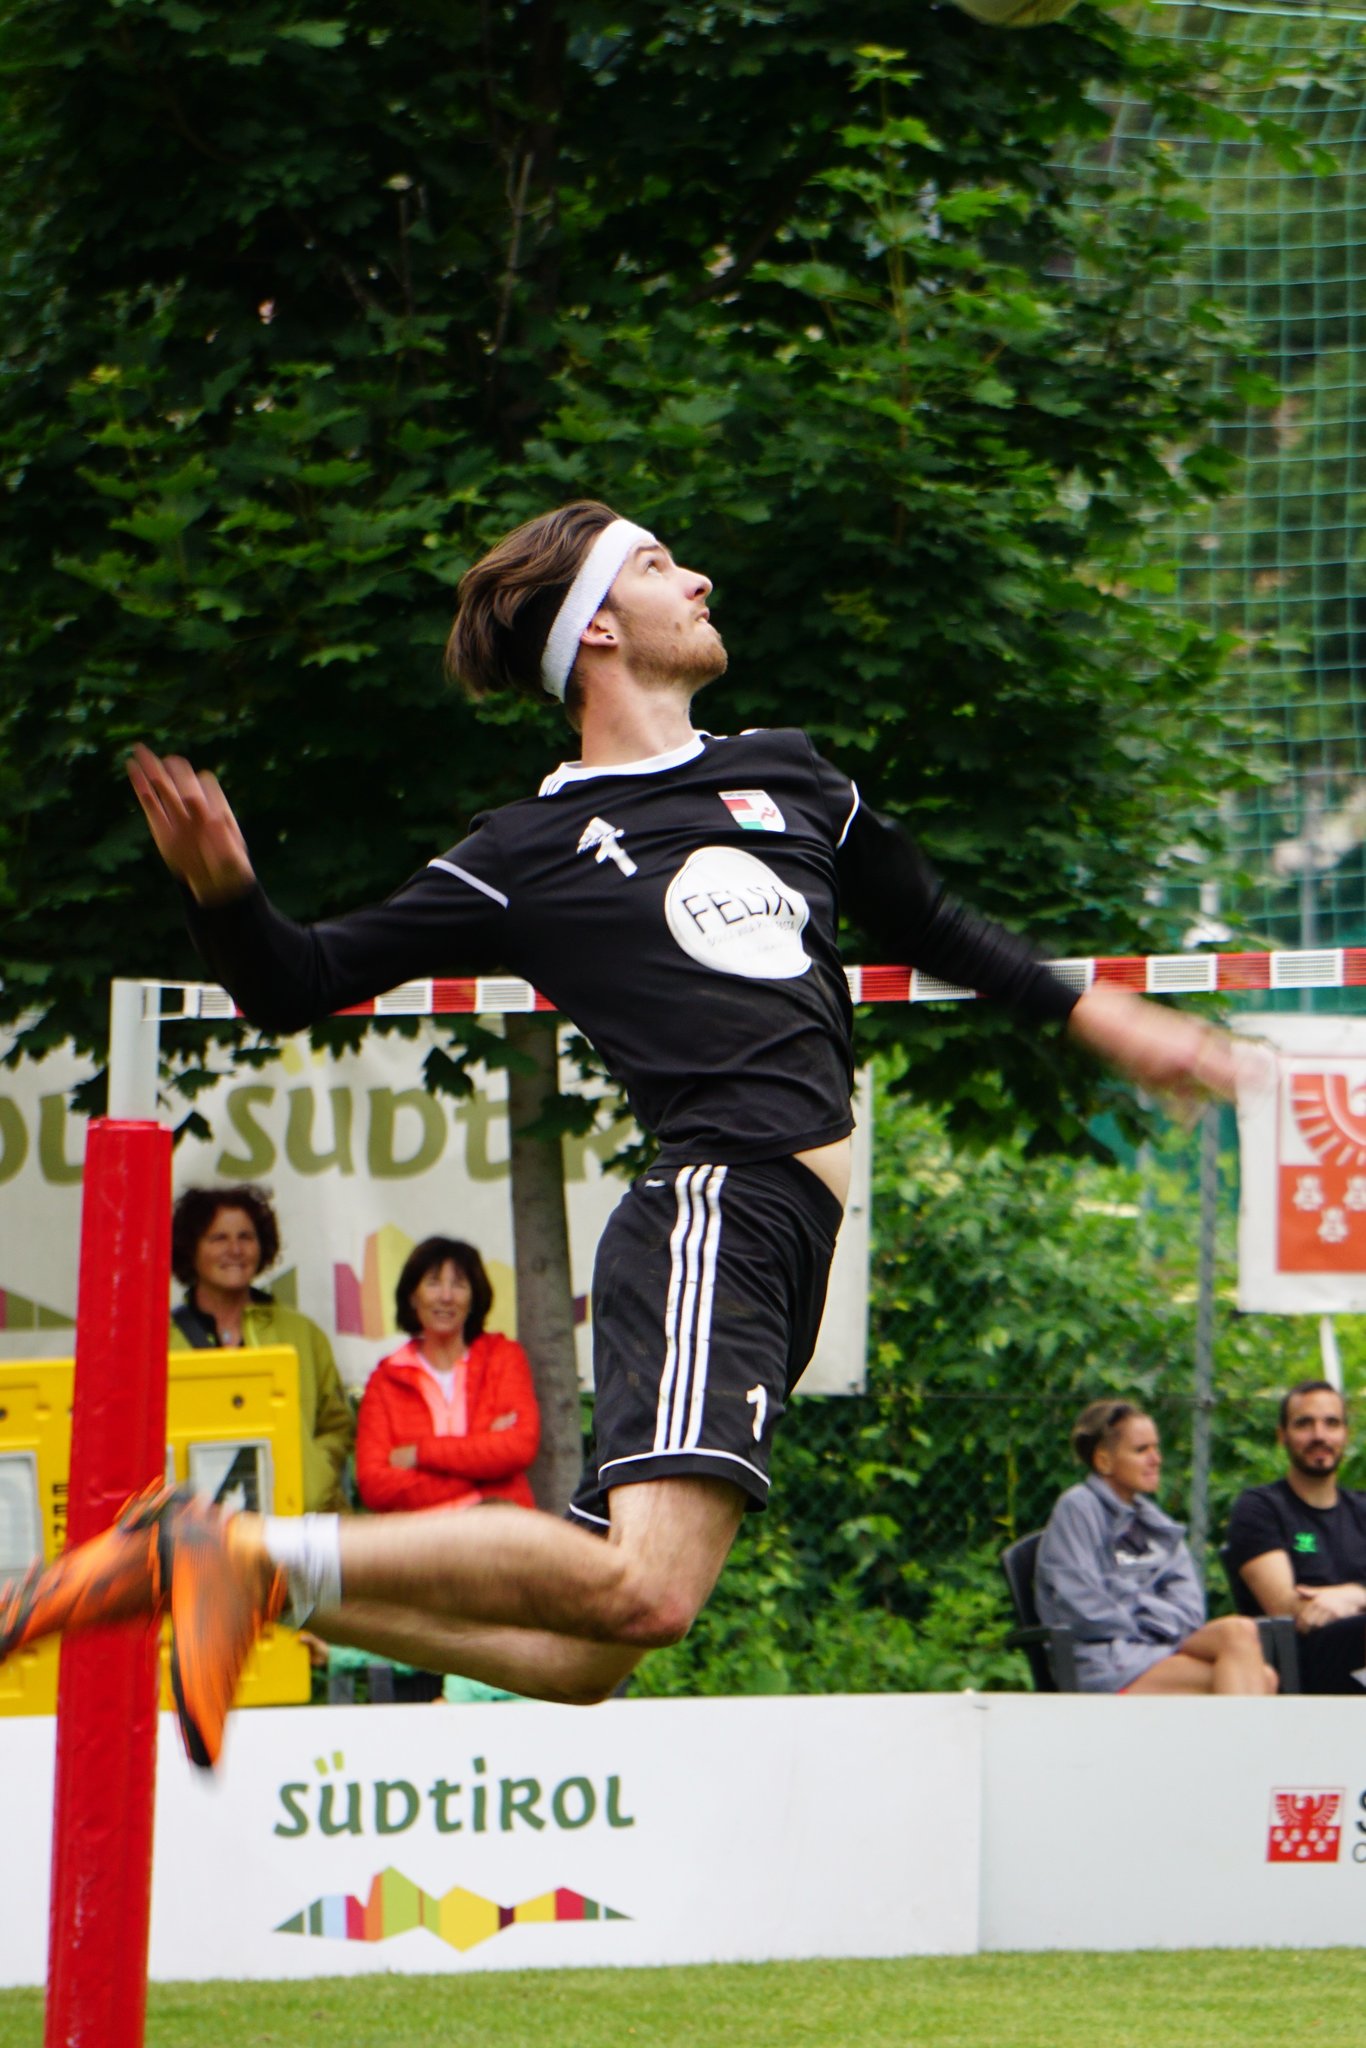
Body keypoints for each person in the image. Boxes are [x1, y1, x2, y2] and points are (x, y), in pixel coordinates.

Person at [1, 500, 1252, 1768]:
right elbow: (294, 979)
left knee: (587, 1654)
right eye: (658, 564)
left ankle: (270, 1581)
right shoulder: (525, 849)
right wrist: (224, 892)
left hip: (786, 1234)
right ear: (595, 627)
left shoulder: (792, 773)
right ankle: (229, 1545)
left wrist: (1105, 1017)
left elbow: (932, 922)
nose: (697, 578)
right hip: (716, 1203)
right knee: (643, 1589)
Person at [1035, 1398, 1275, 1695]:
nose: (1156, 1459)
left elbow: (1190, 1610)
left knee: (1240, 1631)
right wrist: (1154, 1618)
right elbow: (1083, 1607)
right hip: (1107, 1663)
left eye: (1155, 1448)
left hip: (1160, 1647)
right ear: (1103, 1460)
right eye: (1141, 1450)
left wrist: (1134, 1608)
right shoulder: (1078, 1508)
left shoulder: (1157, 1524)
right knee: (1261, 1679)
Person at [168, 1183, 355, 1514]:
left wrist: (314, 1474)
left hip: (298, 1521)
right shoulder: (163, 1341)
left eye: (246, 1237)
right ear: (190, 1249)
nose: (235, 1249)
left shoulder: (302, 1333)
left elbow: (337, 1426)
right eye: (218, 1238)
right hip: (196, 1528)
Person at [356, 1236, 540, 1514]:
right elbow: (375, 1486)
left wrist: (419, 1454)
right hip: (422, 1536)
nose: (446, 1296)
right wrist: (485, 1469)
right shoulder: (386, 1380)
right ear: (412, 1296)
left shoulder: (502, 1358)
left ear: (474, 1298)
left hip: (500, 1529)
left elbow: (519, 1447)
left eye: (459, 1284)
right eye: (433, 1283)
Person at [1225, 1379, 1366, 1694]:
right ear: (1282, 1436)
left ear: (1346, 1434)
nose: (1319, 1435)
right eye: (1304, 1424)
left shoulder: (1362, 1510)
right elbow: (1286, 1607)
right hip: (1300, 1667)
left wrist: (1354, 1596)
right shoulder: (1260, 1508)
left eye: (1331, 1423)